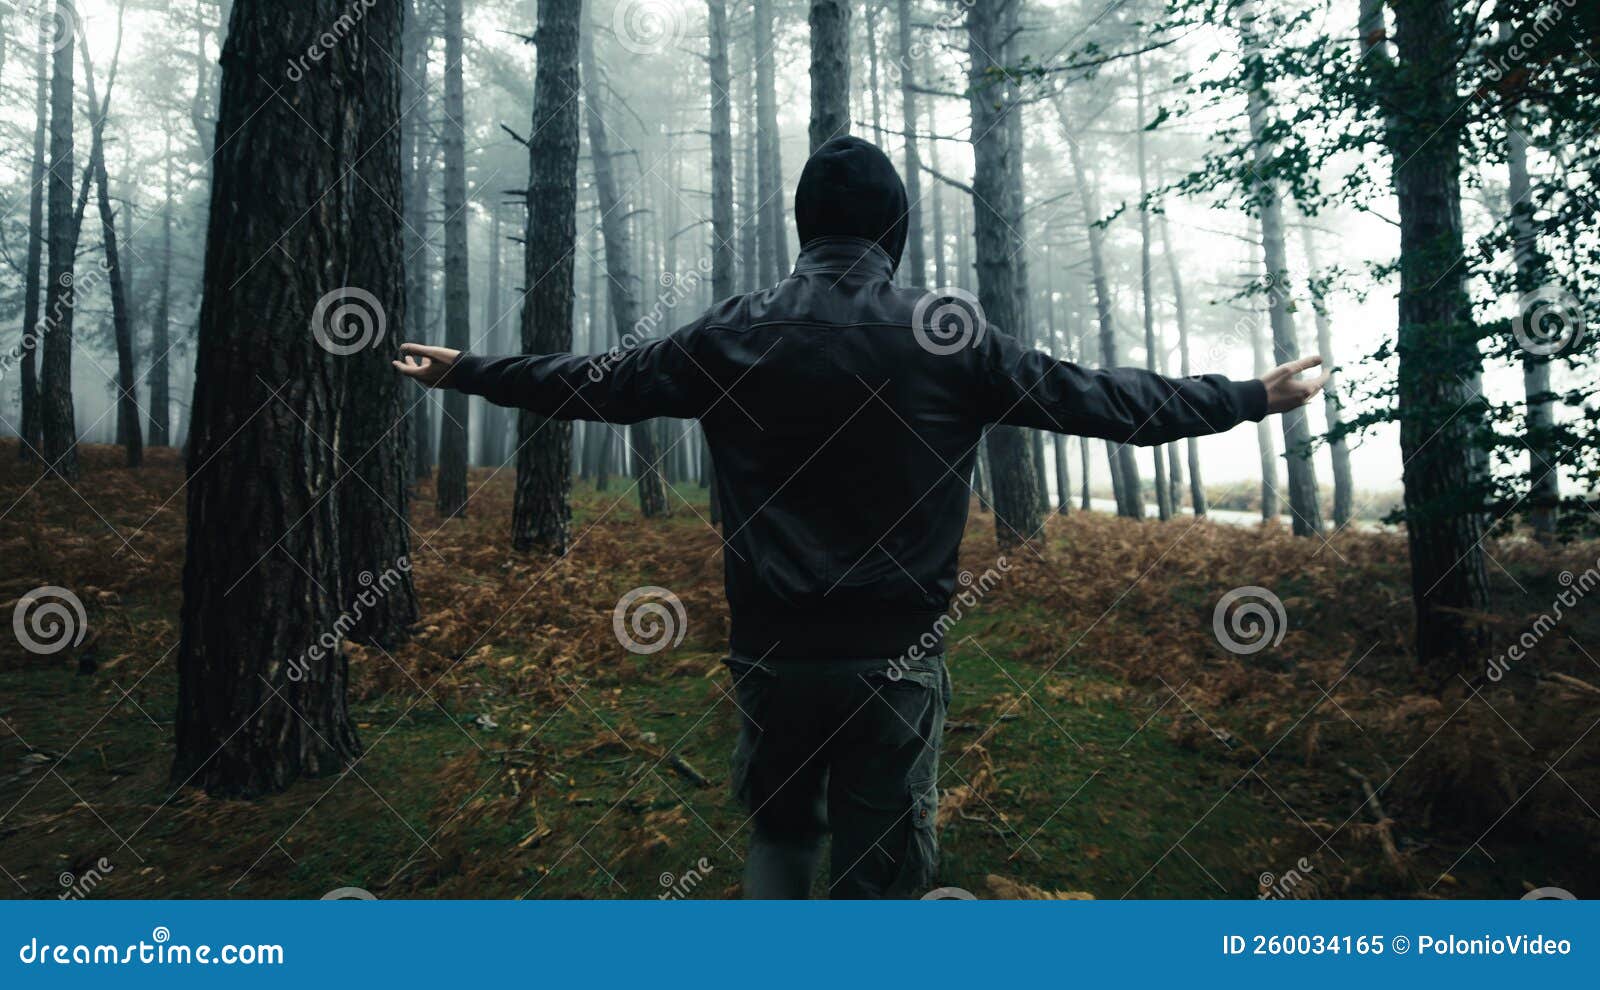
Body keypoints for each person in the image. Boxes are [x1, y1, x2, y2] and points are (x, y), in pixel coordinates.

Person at [394, 136, 1328, 899]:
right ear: (898, 231)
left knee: (783, 837)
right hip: (895, 658)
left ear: (805, 228)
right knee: (883, 881)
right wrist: (1246, 396)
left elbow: (591, 383)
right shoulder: (946, 335)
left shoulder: (732, 331)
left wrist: (468, 370)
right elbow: (1105, 402)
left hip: (771, 651)